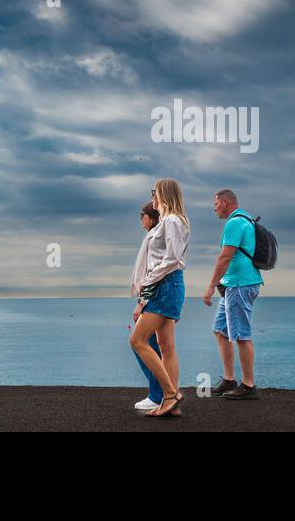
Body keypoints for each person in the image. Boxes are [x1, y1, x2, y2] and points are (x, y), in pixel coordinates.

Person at [129, 179, 189, 418]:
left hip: (164, 285)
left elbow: (173, 259)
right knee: (166, 346)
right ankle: (170, 404)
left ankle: (170, 394)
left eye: (154, 192)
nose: (152, 196)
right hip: (169, 285)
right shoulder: (170, 221)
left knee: (137, 341)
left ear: (162, 194)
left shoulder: (172, 221)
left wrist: (148, 280)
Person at [203, 189, 263, 400]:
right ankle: (229, 379)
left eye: (216, 203)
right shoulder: (246, 219)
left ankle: (248, 386)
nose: (214, 208)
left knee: (242, 334)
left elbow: (225, 257)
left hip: (240, 285)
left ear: (226, 201)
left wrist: (210, 286)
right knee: (221, 330)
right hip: (235, 285)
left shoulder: (234, 223)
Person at [130, 202, 163, 411]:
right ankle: (162, 393)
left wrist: (141, 303)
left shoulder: (154, 238)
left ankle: (157, 394)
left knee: (140, 343)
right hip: (159, 297)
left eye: (142, 214)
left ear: (151, 217)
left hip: (154, 298)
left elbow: (153, 273)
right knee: (158, 347)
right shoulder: (154, 236)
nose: (140, 218)